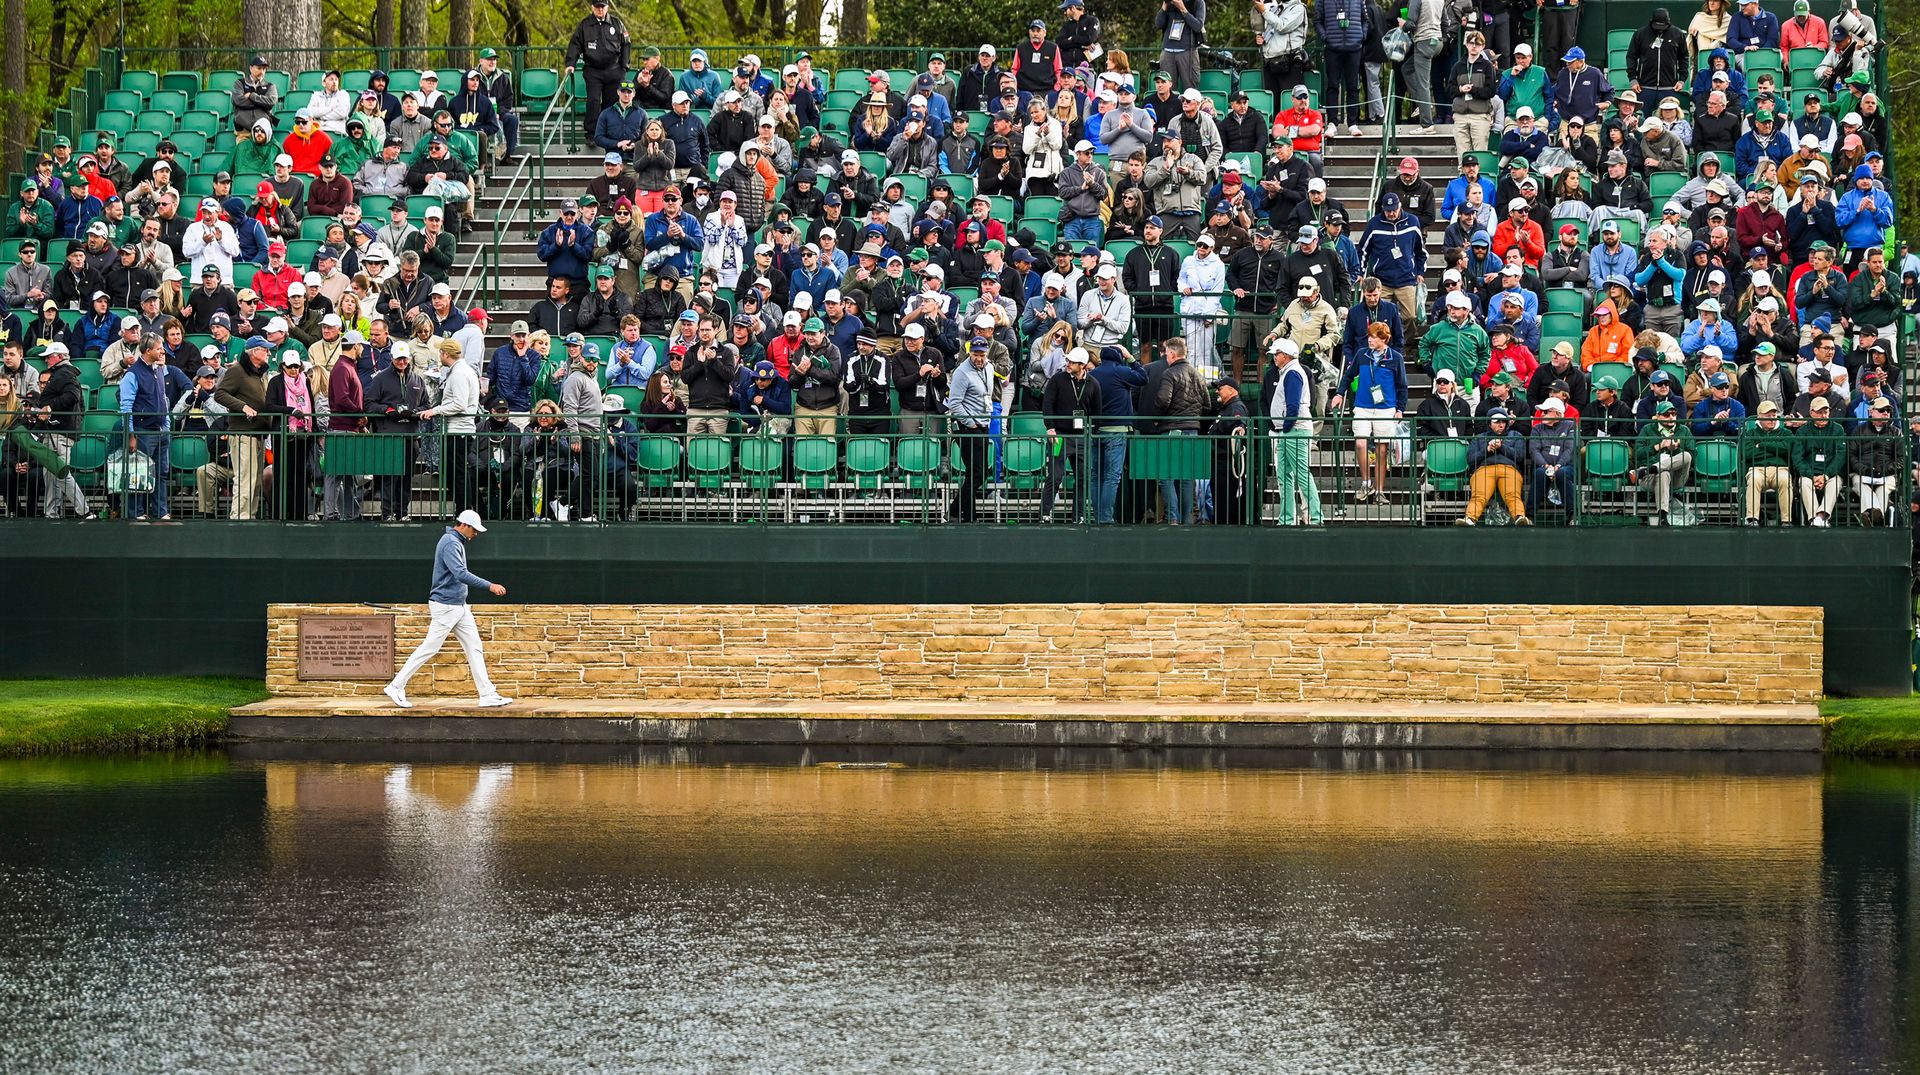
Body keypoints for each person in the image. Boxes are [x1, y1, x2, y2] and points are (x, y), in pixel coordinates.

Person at [384, 509, 513, 709]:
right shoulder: (451, 543)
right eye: (474, 530)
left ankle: (487, 694)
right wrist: (490, 585)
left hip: (458, 606)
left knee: (474, 647)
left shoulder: (455, 541)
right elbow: (460, 574)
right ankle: (396, 685)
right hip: (447, 606)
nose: (476, 534)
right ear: (464, 526)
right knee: (430, 648)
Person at [1332, 321, 1406, 505]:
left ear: (1384, 339)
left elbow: (1402, 386)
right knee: (1360, 443)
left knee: (1382, 450)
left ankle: (1380, 491)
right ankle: (1366, 483)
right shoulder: (1361, 354)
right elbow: (1348, 376)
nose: (1370, 340)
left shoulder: (1395, 358)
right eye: (1369, 336)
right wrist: (1340, 393)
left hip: (1385, 407)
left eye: (1374, 337)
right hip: (1363, 405)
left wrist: (1400, 409)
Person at [1040, 346, 1102, 523]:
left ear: (1082, 365)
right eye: (1067, 360)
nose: (1068, 364)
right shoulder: (1057, 380)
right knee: (1055, 476)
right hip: (1059, 435)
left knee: (1082, 478)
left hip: (1082, 437)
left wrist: (1092, 431)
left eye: (1072, 362)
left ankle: (1079, 515)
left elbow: (1097, 412)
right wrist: (1050, 428)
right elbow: (1048, 404)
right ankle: (1045, 513)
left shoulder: (1093, 384)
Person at [563, 0, 633, 137]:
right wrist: (571, 63)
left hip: (614, 70)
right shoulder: (584, 25)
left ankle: (608, 132)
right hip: (593, 70)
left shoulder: (617, 23)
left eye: (602, 7)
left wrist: (624, 66)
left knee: (611, 102)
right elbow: (575, 44)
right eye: (597, 7)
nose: (600, 10)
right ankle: (592, 133)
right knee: (593, 101)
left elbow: (626, 44)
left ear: (607, 7)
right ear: (592, 7)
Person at [1457, 408, 1531, 526]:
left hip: (1509, 469)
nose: (1500, 425)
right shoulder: (1479, 437)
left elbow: (1520, 457)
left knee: (1512, 495)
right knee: (1479, 495)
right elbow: (1470, 460)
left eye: (1503, 421)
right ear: (1489, 424)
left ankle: (1519, 517)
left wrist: (1502, 447)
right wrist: (1486, 450)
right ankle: (1470, 519)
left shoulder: (1516, 435)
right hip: (1484, 469)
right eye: (1497, 422)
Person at [1632, 399, 1695, 525]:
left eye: (1673, 414)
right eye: (1667, 415)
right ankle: (1662, 516)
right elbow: (1637, 454)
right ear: (1658, 416)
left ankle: (1652, 468)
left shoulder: (1684, 430)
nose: (1671, 417)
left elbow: (1692, 457)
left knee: (1686, 455)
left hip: (1677, 477)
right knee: (1663, 473)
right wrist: (1658, 447)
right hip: (1651, 478)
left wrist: (1676, 450)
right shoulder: (1647, 429)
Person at [1793, 396, 1844, 526]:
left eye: (1825, 412)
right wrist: (1812, 476)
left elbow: (1840, 456)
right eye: (1819, 412)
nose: (1823, 415)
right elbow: (1797, 458)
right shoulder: (1802, 431)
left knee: (1836, 482)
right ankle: (1814, 518)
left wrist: (1825, 475)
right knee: (1804, 482)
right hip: (1810, 473)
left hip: (1830, 473)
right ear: (1811, 413)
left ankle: (1821, 515)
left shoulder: (1838, 429)